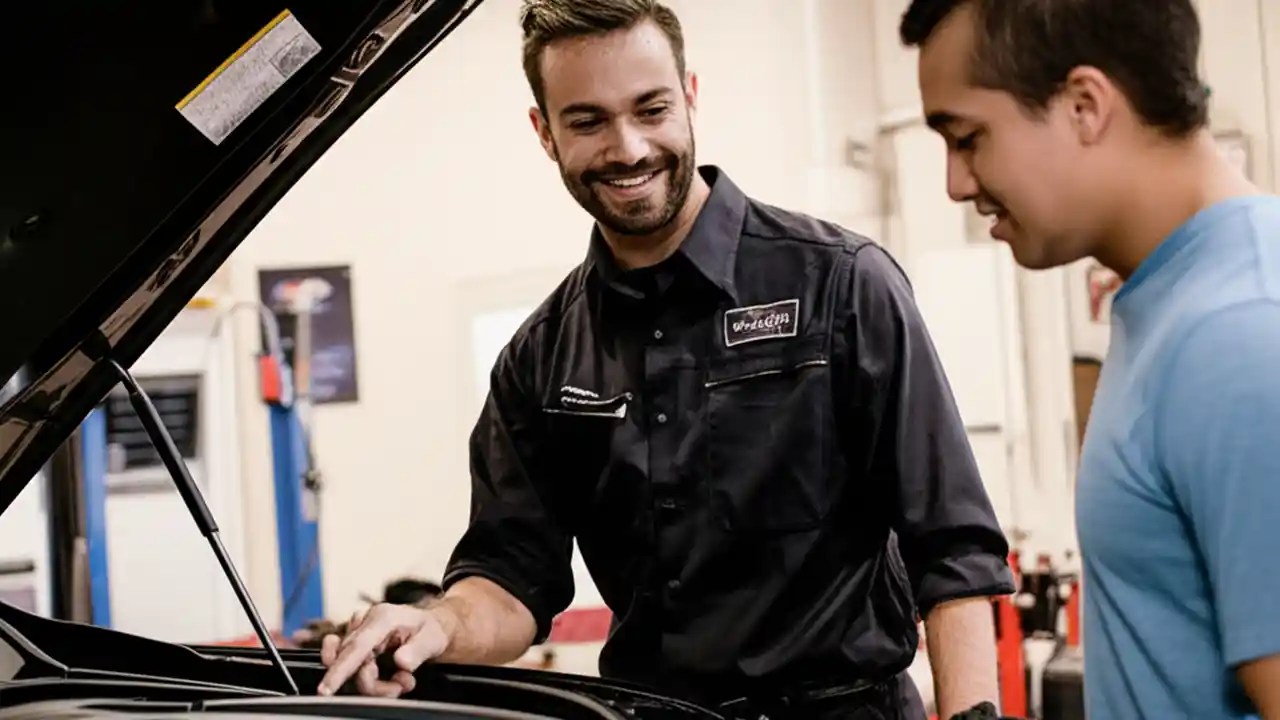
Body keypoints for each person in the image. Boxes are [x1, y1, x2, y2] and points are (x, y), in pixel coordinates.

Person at [317, 2, 1017, 717]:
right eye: (588, 121)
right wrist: (434, 625)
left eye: (650, 109)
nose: (627, 148)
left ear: (689, 96)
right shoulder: (539, 358)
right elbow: (509, 579)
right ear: (545, 133)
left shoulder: (841, 284)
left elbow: (951, 551)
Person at [899, 1, 1280, 718]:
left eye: (969, 138)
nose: (955, 182)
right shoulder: (1174, 303)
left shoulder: (1241, 335)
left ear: (1083, 105)